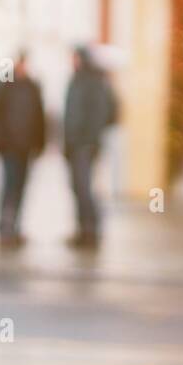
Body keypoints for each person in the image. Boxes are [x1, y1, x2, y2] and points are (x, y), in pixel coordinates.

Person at [62, 46, 118, 250]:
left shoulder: (95, 82)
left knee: (85, 189)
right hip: (74, 144)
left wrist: (89, 137)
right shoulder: (76, 80)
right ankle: (82, 230)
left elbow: (104, 114)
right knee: (78, 188)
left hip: (85, 144)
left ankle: (91, 230)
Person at [0, 53, 45, 247]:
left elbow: (40, 116)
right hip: (10, 147)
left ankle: (16, 226)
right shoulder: (6, 85)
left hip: (26, 147)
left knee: (21, 188)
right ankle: (5, 227)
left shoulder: (33, 86)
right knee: (9, 187)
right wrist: (0, 141)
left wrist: (40, 143)